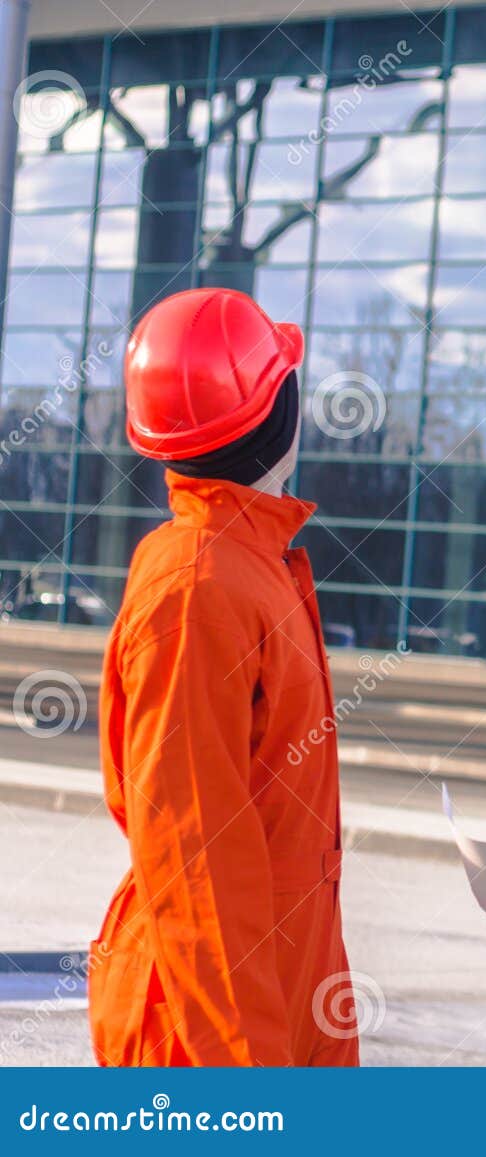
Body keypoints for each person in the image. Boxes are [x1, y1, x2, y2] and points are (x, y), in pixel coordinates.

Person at [89, 288, 358, 1067]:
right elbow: (194, 858)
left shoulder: (247, 562)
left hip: (282, 988)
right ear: (279, 411)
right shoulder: (198, 587)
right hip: (207, 1031)